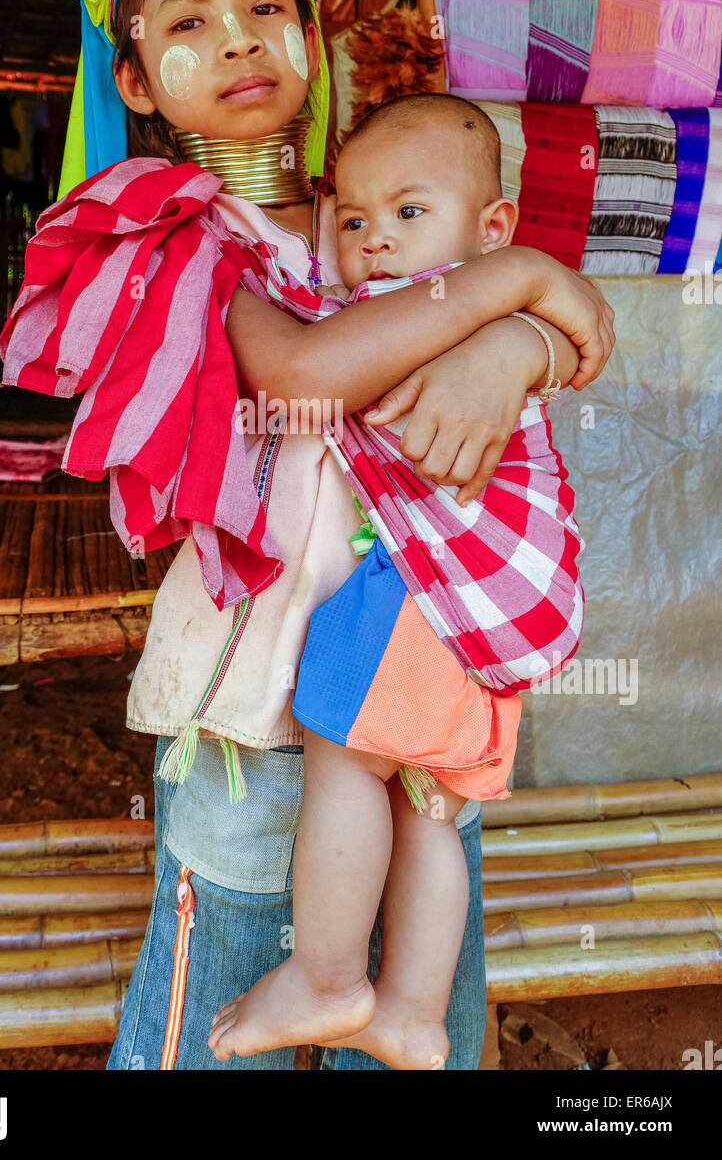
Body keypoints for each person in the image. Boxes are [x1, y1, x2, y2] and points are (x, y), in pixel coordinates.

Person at [0, 0, 615, 1071]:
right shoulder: (173, 236)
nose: (237, 40)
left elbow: (580, 344)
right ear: (132, 76)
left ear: (308, 33)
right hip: (259, 719)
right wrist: (520, 280)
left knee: (411, 1006)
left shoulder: (371, 209)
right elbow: (300, 373)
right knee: (209, 1027)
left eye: (264, 9)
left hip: (424, 680)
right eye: (190, 22)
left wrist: (512, 351)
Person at [208, 93, 584, 1069]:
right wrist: (531, 313)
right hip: (497, 621)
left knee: (340, 760)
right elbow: (574, 335)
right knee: (426, 803)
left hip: (431, 597)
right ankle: (414, 1011)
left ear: (489, 229)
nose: (375, 242)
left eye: (407, 213)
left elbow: (309, 379)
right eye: (354, 219)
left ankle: (327, 974)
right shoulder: (502, 307)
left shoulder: (431, 310)